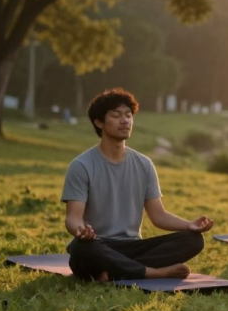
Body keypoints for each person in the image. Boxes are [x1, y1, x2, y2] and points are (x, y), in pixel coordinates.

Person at [61, 88, 213, 281]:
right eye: (116, 116)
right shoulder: (81, 166)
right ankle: (151, 272)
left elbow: (159, 216)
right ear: (99, 122)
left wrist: (189, 225)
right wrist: (81, 232)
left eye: (128, 115)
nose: (125, 121)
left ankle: (115, 271)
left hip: (133, 247)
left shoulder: (144, 164)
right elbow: (73, 218)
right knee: (80, 249)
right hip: (98, 245)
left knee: (193, 241)